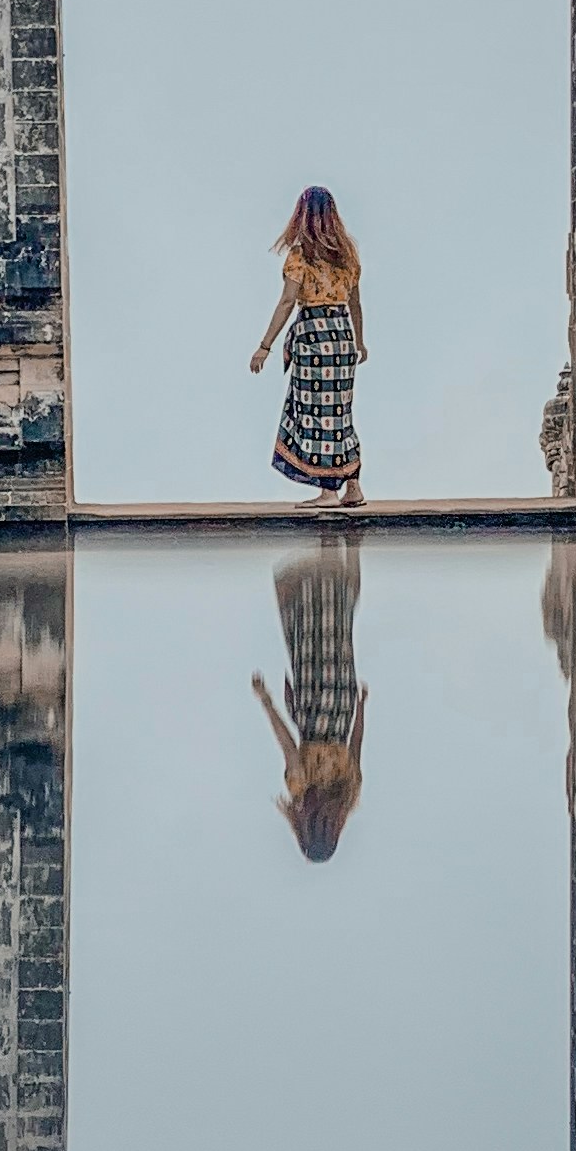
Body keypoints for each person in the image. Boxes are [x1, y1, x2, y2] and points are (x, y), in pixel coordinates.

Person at [250, 187, 366, 503]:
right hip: (342, 336)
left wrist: (265, 345)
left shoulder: (302, 255)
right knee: (341, 411)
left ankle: (329, 489)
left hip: (315, 336)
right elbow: (355, 302)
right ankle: (352, 487)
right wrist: (360, 341)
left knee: (318, 412)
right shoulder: (348, 254)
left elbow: (288, 300)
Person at [253, 549, 368, 862]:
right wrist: (266, 700)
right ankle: (324, 566)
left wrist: (361, 707)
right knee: (312, 634)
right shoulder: (302, 790)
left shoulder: (347, 795)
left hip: (341, 707)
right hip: (312, 708)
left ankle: (340, 562)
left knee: (338, 634)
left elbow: (356, 745)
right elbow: (288, 745)